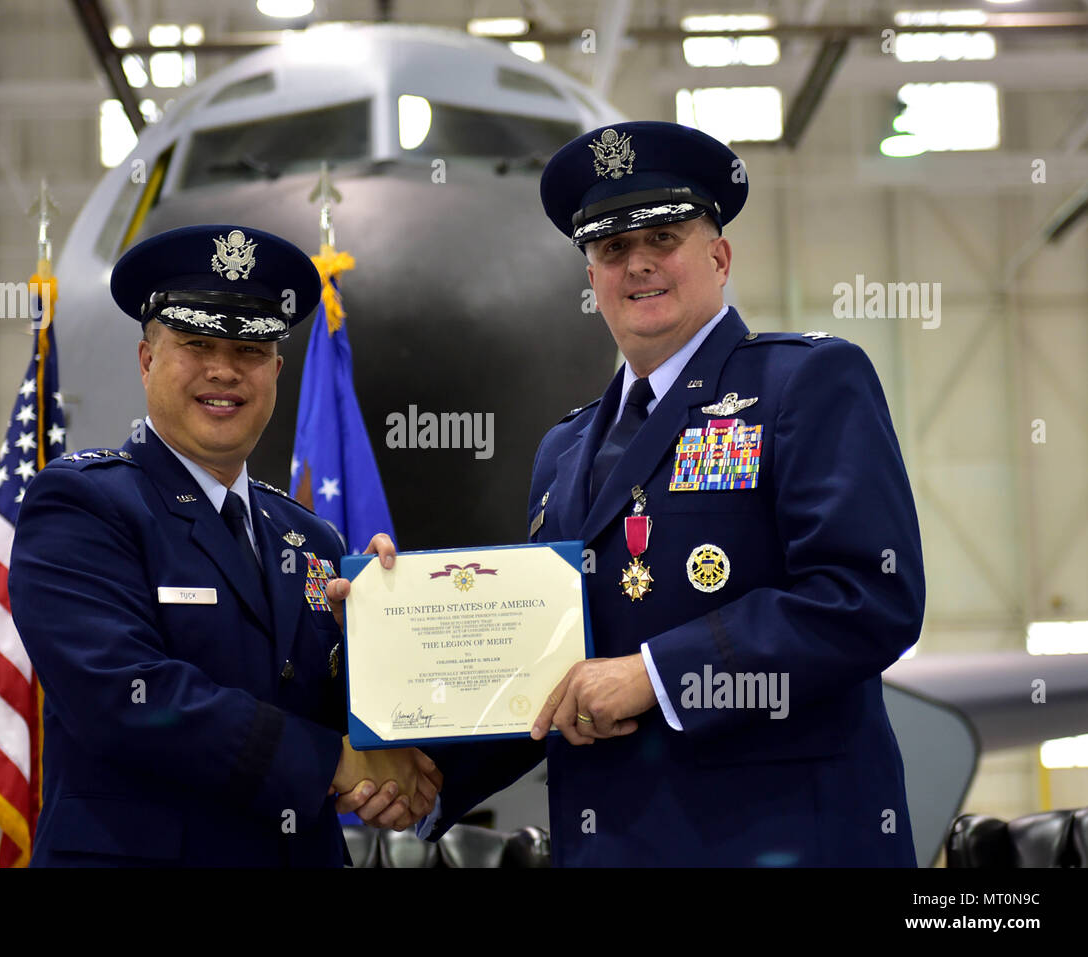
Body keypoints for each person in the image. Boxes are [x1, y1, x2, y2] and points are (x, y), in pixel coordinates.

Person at [351, 122, 926, 865]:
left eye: (663, 238)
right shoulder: (564, 449)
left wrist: (656, 673)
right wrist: (421, 765)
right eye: (612, 248)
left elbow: (866, 598)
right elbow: (550, 666)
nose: (639, 263)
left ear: (719, 258)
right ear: (592, 280)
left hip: (777, 842)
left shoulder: (805, 382)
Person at [8, 224, 439, 867]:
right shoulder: (81, 506)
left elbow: (344, 718)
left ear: (276, 370)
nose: (224, 370)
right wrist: (331, 762)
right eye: (197, 343)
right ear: (146, 360)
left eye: (250, 349)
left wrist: (385, 641)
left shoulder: (312, 539)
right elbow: (125, 696)